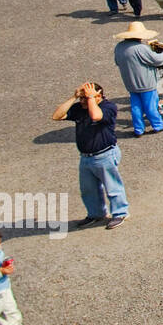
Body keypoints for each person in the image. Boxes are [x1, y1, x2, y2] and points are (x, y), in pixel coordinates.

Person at [52, 81, 132, 228]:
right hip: (85, 157)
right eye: (81, 98)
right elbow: (57, 116)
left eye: (86, 97)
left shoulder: (108, 107)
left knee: (113, 187)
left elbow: (96, 116)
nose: (82, 101)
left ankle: (120, 213)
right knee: (88, 190)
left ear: (98, 96)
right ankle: (96, 214)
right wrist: (73, 97)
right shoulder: (79, 107)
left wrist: (90, 98)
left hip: (105, 155)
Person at [112, 21, 163, 137]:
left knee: (136, 107)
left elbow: (117, 62)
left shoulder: (119, 47)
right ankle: (158, 125)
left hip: (130, 83)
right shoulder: (140, 48)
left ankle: (138, 129)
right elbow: (157, 60)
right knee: (150, 105)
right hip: (145, 82)